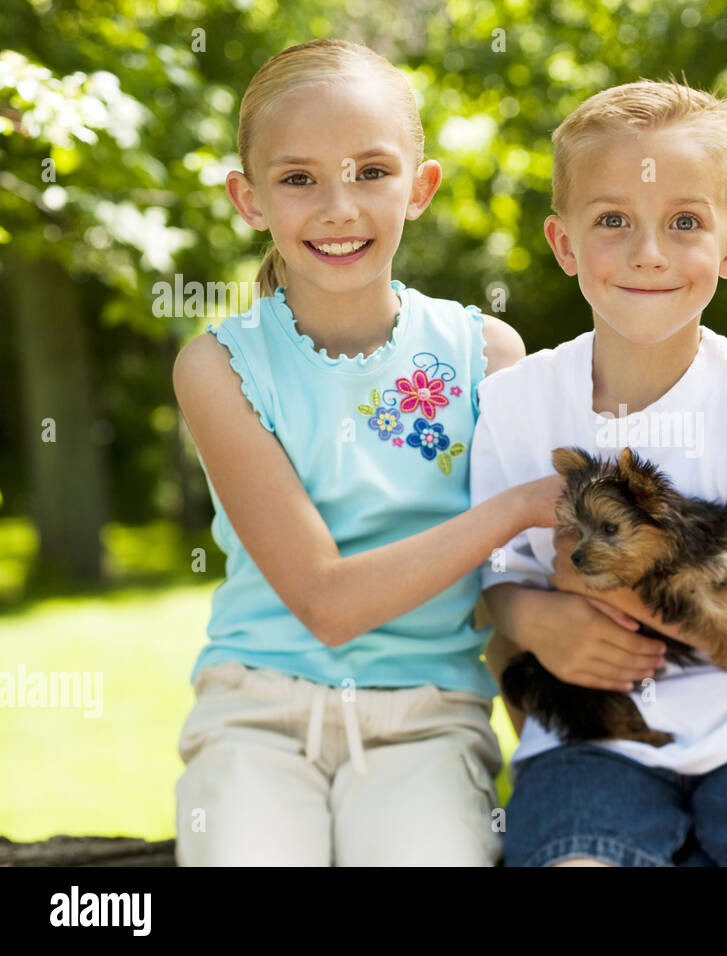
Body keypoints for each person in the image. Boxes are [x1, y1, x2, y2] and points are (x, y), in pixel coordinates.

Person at [170, 38, 560, 866]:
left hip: (427, 718)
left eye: (372, 172)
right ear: (249, 198)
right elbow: (326, 601)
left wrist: (568, 768)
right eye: (299, 177)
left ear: (420, 189)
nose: (339, 206)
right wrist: (512, 508)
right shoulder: (218, 367)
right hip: (257, 716)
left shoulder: (486, 356)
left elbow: (515, 589)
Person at [470, 80, 727, 867]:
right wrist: (532, 620)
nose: (648, 251)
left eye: (684, 222)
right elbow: (488, 589)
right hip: (591, 740)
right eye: (613, 220)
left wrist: (617, 584)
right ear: (563, 243)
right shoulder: (514, 406)